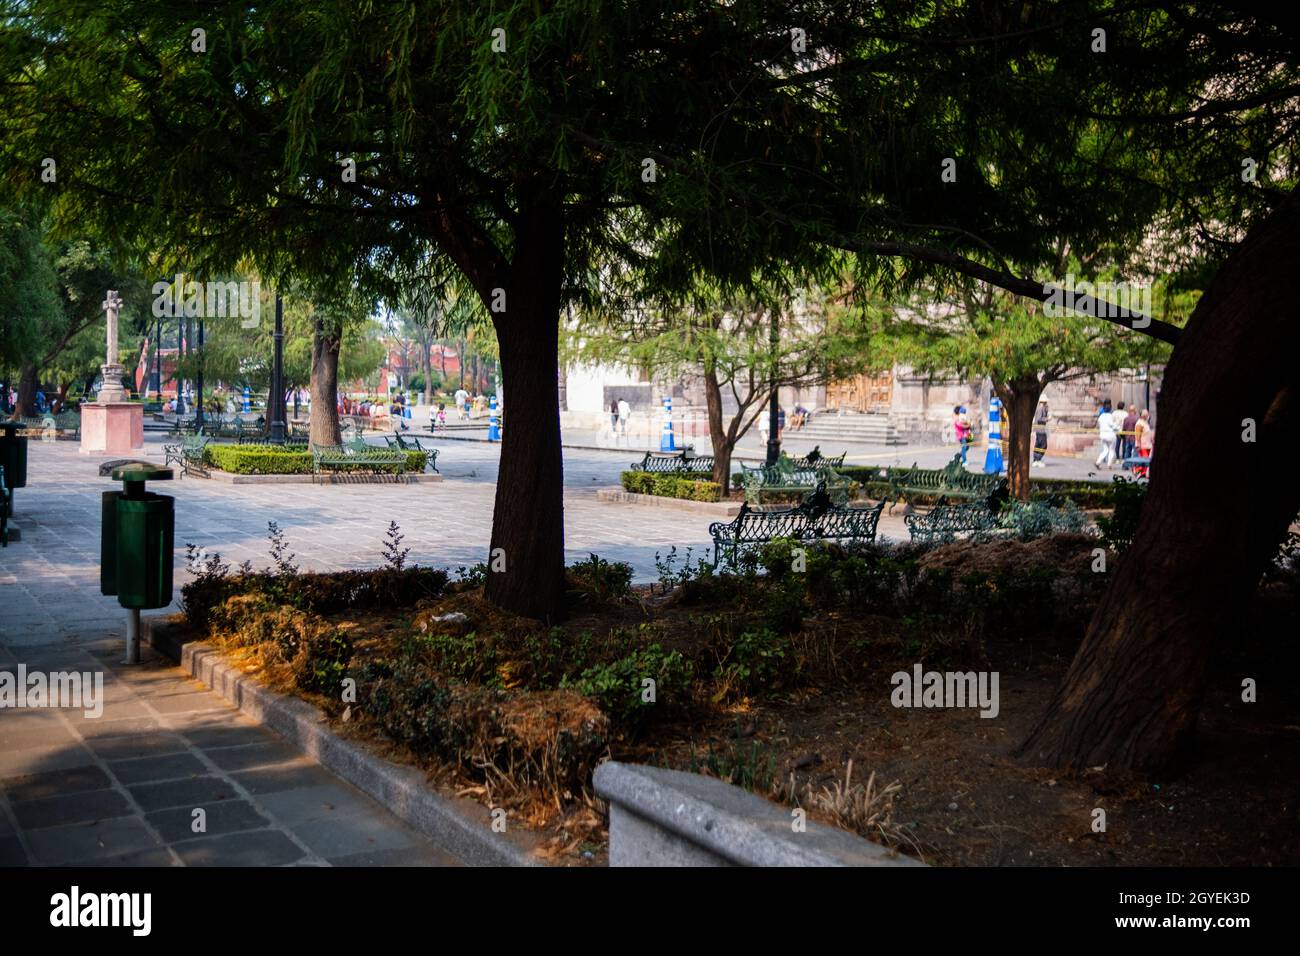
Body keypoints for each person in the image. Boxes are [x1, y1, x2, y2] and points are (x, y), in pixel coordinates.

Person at [1096, 400, 1118, 468]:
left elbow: (1099, 424)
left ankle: (1098, 461)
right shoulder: (1110, 416)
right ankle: (1109, 464)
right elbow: (1113, 425)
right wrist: (1118, 428)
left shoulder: (1101, 416)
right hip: (1110, 434)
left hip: (1102, 434)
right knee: (1111, 449)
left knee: (1105, 450)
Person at [1032, 399, 1050, 467]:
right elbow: (1040, 419)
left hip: (1040, 429)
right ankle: (1037, 459)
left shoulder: (1042, 408)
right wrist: (1047, 419)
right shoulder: (1040, 409)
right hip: (1040, 430)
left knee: (1038, 445)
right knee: (1043, 445)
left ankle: (1036, 460)